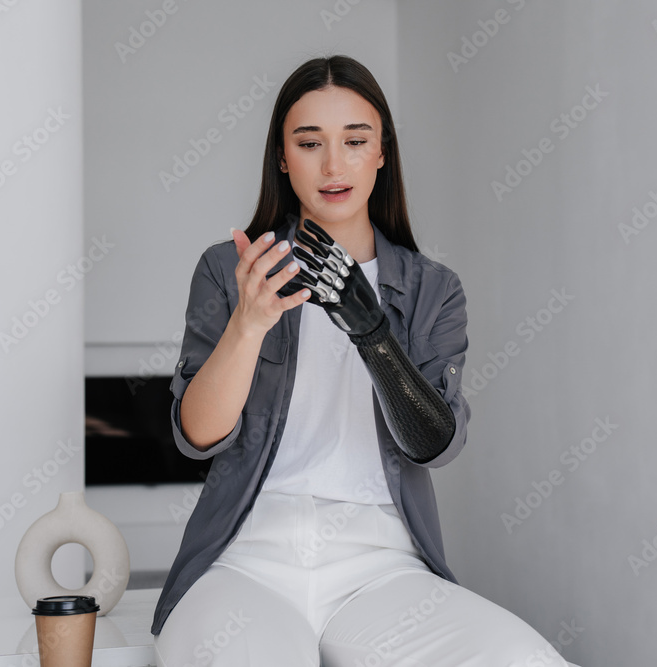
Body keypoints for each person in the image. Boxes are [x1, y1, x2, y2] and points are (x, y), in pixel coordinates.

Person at [152, 55, 572, 667]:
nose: (333, 165)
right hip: (246, 555)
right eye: (309, 142)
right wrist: (248, 324)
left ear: (382, 152)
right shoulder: (231, 270)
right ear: (281, 156)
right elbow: (197, 435)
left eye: (355, 140)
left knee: (522, 659)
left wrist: (372, 329)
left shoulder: (433, 288)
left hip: (381, 567)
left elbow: (435, 446)